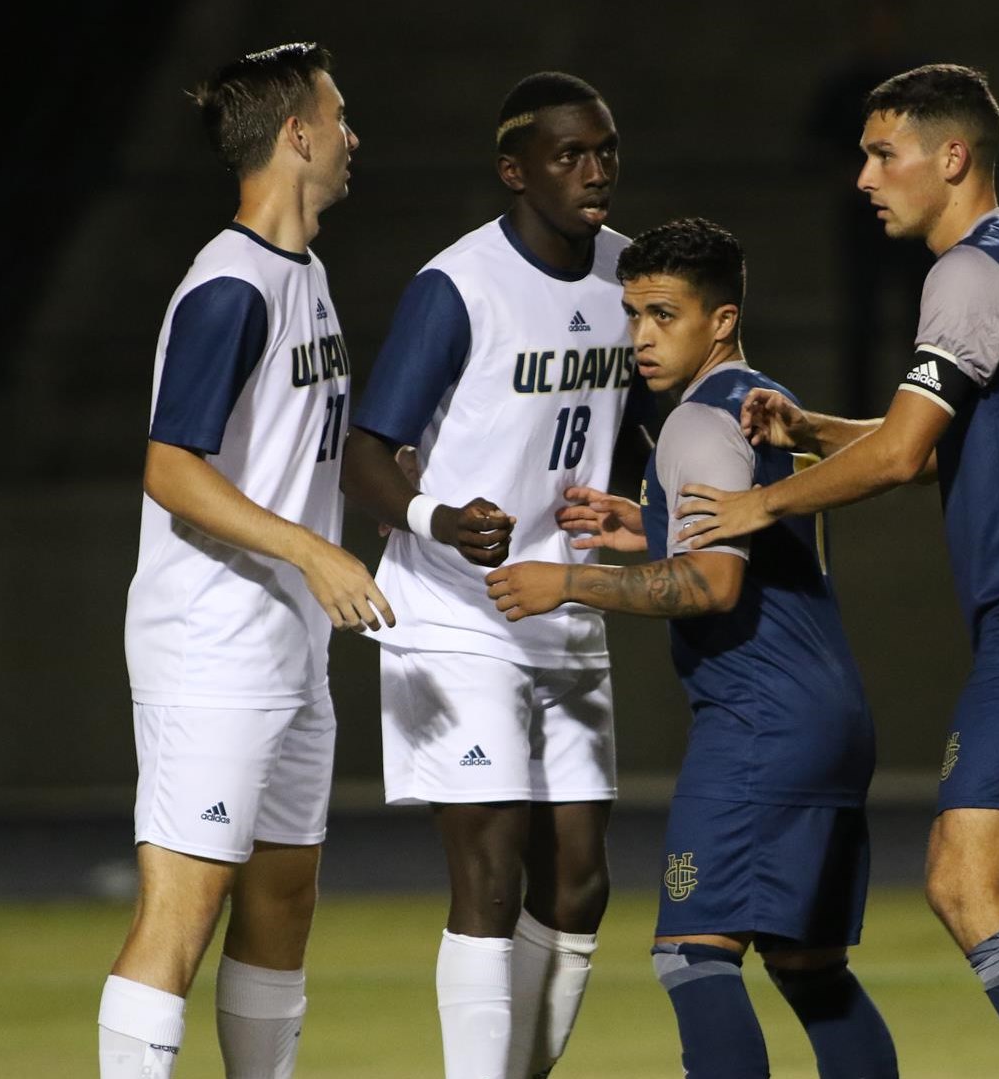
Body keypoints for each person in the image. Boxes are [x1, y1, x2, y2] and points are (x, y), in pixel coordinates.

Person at [677, 64, 999, 1077]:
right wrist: (812, 428)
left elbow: (909, 454)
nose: (865, 176)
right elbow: (947, 430)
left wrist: (761, 500)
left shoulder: (962, 273)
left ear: (951, 157)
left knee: (964, 879)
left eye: (885, 154)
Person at [485, 218, 899, 1079]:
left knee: (692, 954)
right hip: (831, 712)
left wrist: (565, 583)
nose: (640, 337)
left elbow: (712, 586)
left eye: (663, 315)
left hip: (759, 722)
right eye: (632, 314)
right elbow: (740, 546)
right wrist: (649, 523)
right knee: (808, 968)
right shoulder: (765, 403)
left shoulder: (695, 426)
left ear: (720, 319)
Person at [337, 72, 651, 1079]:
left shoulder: (630, 274)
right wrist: (438, 517)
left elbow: (640, 422)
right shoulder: (459, 284)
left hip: (564, 603)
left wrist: (638, 499)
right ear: (515, 171)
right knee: (490, 869)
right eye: (570, 154)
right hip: (455, 608)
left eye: (605, 150)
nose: (594, 171)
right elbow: (365, 450)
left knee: (581, 884)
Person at [104, 42, 389, 1079]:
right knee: (183, 909)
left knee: (284, 896)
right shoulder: (229, 285)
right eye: (339, 112)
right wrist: (312, 549)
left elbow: (289, 453)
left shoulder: (301, 271)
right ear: (296, 132)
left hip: (286, 645)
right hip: (211, 646)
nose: (354, 134)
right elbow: (171, 469)